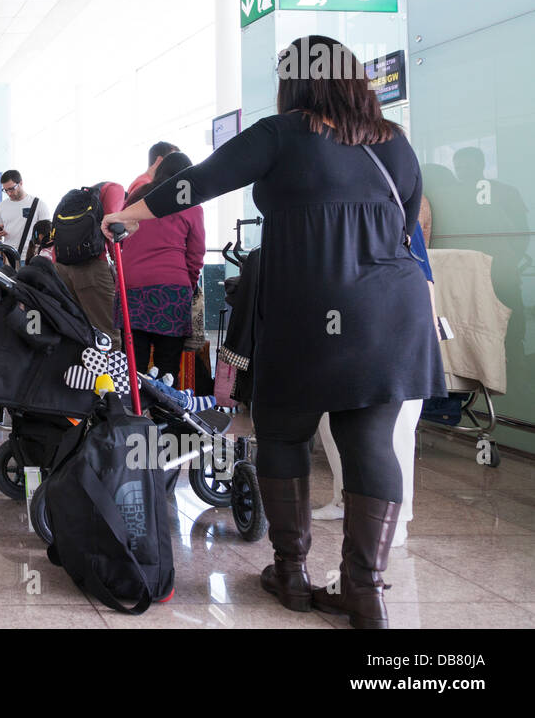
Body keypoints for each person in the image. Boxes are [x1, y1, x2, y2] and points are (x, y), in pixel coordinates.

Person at [102, 36, 445, 629]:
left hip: (310, 305)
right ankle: (367, 594)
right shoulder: (393, 141)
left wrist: (127, 215)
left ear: (295, 81)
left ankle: (291, 573)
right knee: (370, 444)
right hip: (392, 312)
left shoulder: (281, 133)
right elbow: (409, 221)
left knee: (284, 433)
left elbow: (197, 183)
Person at [315, 220, 435, 548]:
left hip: (399, 324)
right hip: (347, 324)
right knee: (332, 420)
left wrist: (430, 329)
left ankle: (398, 517)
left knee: (395, 429)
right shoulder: (337, 212)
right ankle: (343, 499)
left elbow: (424, 276)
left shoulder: (395, 211)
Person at [118, 152, 205, 378]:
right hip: (171, 291)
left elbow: (118, 236)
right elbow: (196, 254)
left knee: (132, 367)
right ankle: (164, 412)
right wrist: (190, 286)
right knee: (167, 368)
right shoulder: (191, 203)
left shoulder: (138, 197)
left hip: (131, 286)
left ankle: (131, 411)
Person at [53, 180, 126, 337]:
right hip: (91, 267)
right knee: (107, 334)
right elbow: (112, 228)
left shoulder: (83, 196)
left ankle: (81, 361)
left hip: (61, 266)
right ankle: (108, 362)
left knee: (78, 331)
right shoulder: (116, 189)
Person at [0, 170, 39, 259]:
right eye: (5, 190)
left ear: (21, 183)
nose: (9, 193)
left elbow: (45, 233)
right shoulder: (2, 206)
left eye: (11, 189)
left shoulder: (38, 204)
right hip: (8, 256)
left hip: (31, 257)